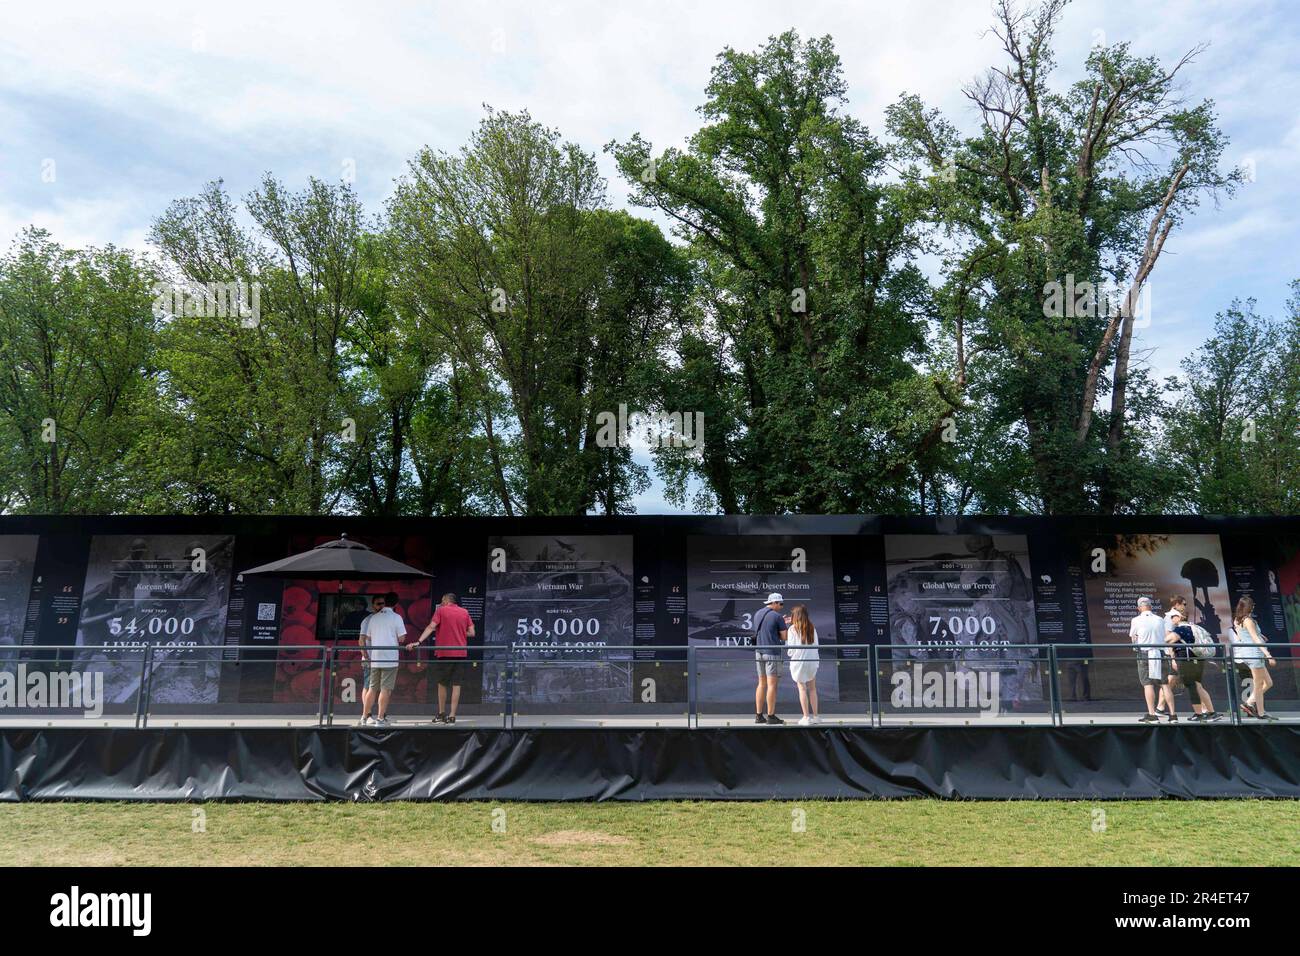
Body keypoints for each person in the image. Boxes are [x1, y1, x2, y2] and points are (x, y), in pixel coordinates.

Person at [411, 592, 475, 724]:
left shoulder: (441, 611)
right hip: (460, 654)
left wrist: (419, 641)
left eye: (441, 601)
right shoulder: (464, 612)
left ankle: (441, 713)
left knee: (442, 684)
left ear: (446, 601)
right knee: (456, 685)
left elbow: (431, 627)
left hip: (444, 653)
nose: (440, 603)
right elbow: (472, 633)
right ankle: (452, 715)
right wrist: (458, 632)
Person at [1164, 608, 1221, 721]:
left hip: (1187, 660)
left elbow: (1168, 639)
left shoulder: (1181, 629)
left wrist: (1168, 637)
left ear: (1179, 617)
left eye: (1172, 616)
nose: (1171, 619)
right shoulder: (1192, 626)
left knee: (1191, 686)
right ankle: (1211, 712)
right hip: (1197, 659)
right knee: (1197, 685)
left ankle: (1199, 714)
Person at [359, 592, 405, 727]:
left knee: (372, 688)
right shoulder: (397, 617)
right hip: (389, 658)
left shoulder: (373, 618)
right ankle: (380, 718)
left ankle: (364, 716)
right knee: (385, 689)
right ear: (396, 604)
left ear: (385, 602)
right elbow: (402, 638)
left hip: (375, 658)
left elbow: (367, 637)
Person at [1129, 596, 1174, 723]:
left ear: (1139, 608)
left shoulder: (1135, 620)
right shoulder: (1160, 619)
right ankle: (1173, 715)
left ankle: (1152, 715)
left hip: (1144, 653)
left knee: (1147, 684)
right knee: (1164, 684)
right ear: (1150, 606)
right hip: (1159, 653)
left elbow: (1133, 638)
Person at [1231, 596, 1276, 720]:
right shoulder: (1248, 620)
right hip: (1254, 654)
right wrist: (1268, 655)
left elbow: (1244, 637)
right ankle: (1261, 713)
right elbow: (1255, 639)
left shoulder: (1237, 620)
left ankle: (1249, 703)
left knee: (1268, 683)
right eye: (1253, 605)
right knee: (1259, 684)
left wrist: (1261, 636)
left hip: (1249, 653)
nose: (1254, 606)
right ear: (1249, 606)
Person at [753, 592, 788, 725]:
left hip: (759, 652)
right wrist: (784, 624)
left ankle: (758, 715)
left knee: (761, 683)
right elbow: (784, 637)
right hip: (772, 652)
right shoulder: (777, 616)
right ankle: (771, 716)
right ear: (773, 603)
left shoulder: (757, 614)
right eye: (780, 603)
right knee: (772, 685)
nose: (781, 606)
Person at [785, 604, 820, 725]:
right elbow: (817, 645)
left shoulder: (792, 629)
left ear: (795, 616)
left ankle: (806, 717)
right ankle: (816, 716)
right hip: (812, 661)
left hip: (799, 662)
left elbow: (790, 650)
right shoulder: (811, 627)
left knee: (802, 689)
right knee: (813, 689)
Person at [356, 594, 385, 716]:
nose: (381, 606)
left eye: (383, 603)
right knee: (368, 685)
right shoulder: (367, 620)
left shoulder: (386, 619)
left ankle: (379, 713)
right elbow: (361, 639)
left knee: (379, 688)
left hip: (382, 658)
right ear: (373, 605)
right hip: (370, 658)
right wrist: (365, 655)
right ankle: (366, 713)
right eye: (378, 604)